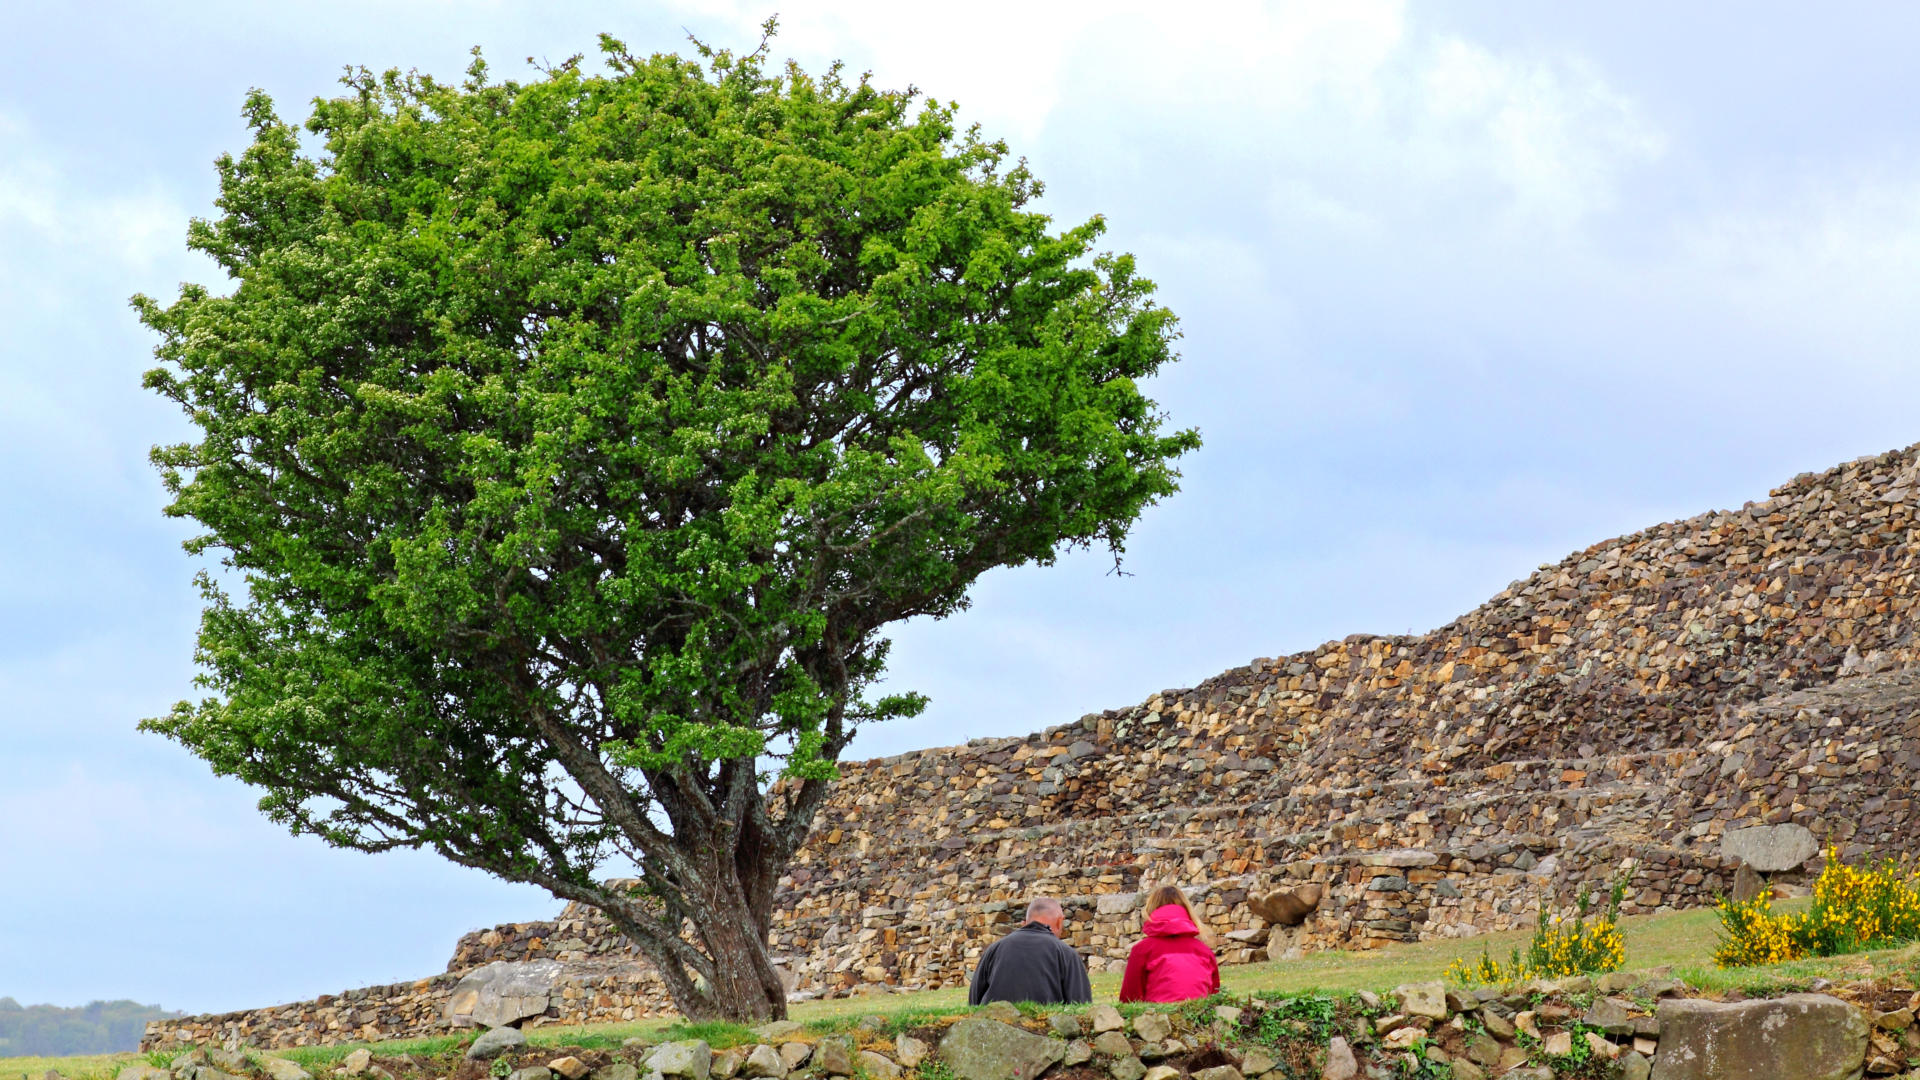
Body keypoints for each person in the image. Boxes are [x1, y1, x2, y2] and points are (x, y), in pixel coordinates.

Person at [968, 896, 1093, 1005]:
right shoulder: (1066, 954)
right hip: (1046, 1031)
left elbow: (974, 1002)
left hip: (993, 1028)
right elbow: (1080, 1007)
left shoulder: (994, 950)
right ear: (1060, 922)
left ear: (1025, 923)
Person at [1118, 884, 1220, 1003]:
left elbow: (1130, 1000)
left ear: (1151, 910)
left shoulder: (1142, 950)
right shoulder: (1205, 952)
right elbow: (1215, 997)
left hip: (1158, 1018)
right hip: (1200, 1018)